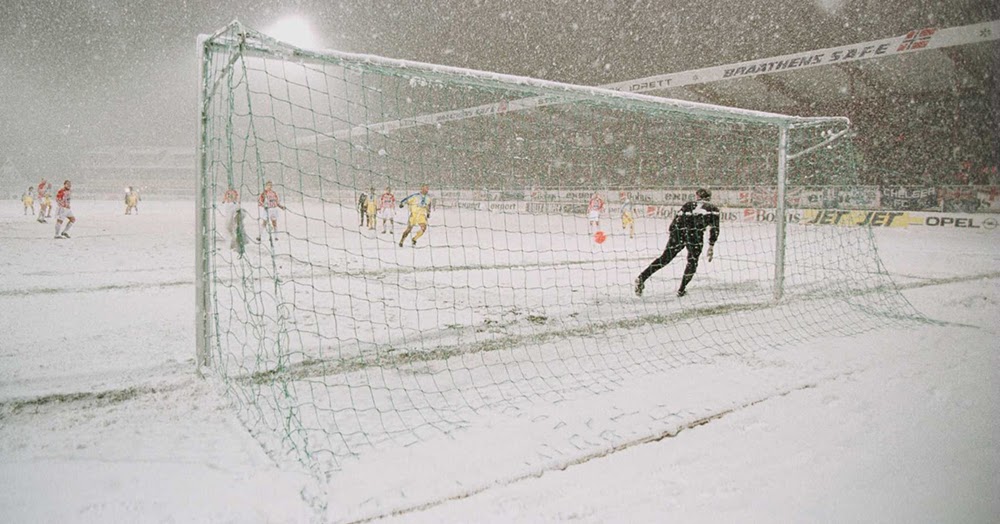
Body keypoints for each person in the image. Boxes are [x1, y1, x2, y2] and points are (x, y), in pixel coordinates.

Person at [635, 188, 719, 298]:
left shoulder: (688, 205)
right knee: (692, 262)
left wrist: (674, 234)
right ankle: (681, 290)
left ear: (698, 196)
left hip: (679, 233)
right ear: (709, 197)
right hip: (696, 235)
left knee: (665, 258)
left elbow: (675, 221)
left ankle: (642, 277)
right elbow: (715, 228)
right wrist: (711, 245)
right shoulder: (713, 209)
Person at [221, 186, 244, 251]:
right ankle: (231, 244)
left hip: (233, 221)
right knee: (228, 230)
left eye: (232, 195)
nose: (230, 196)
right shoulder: (226, 204)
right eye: (228, 195)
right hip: (228, 220)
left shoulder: (236, 205)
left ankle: (234, 244)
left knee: (233, 230)